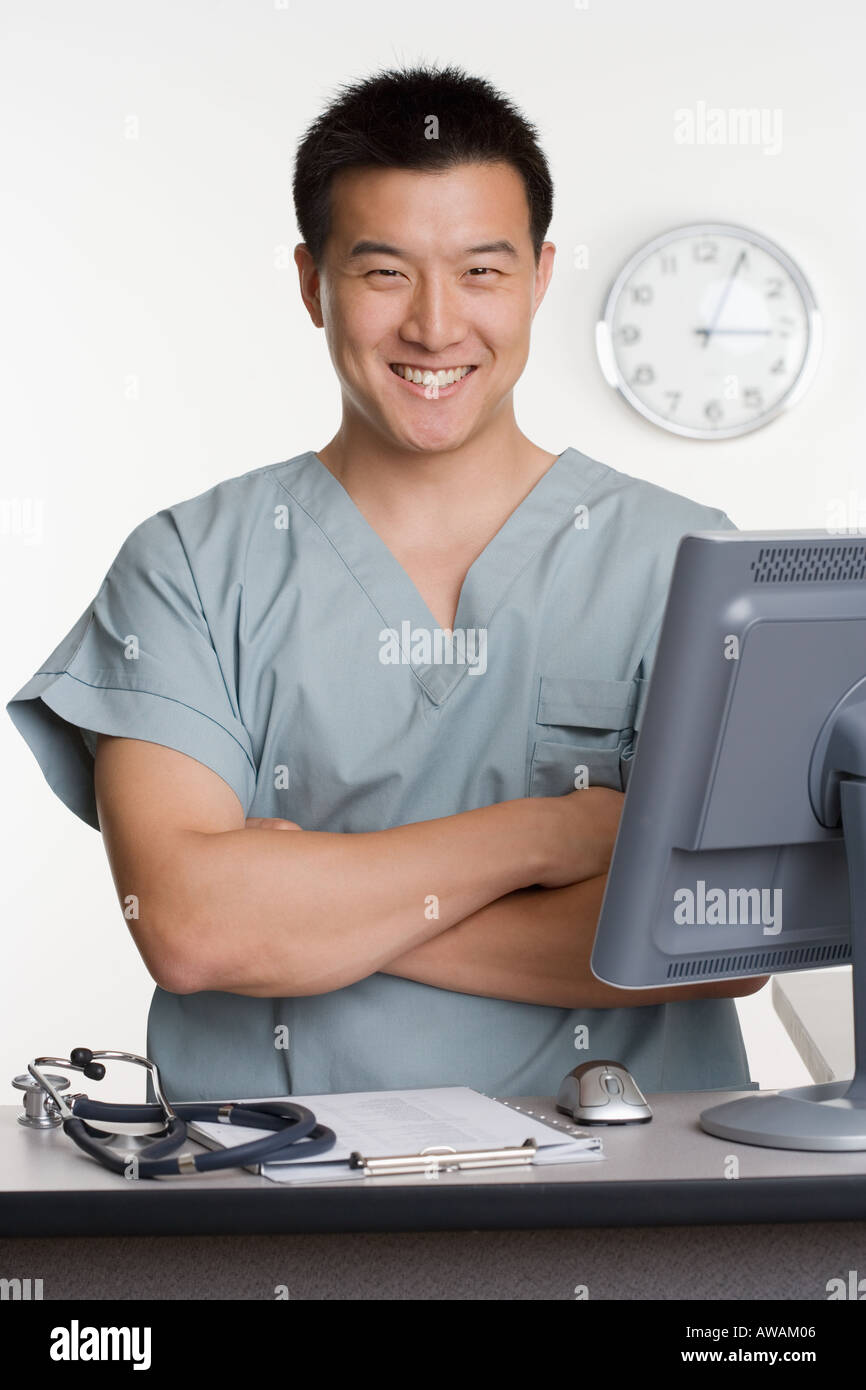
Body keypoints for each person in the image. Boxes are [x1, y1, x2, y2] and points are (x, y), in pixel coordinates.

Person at [7, 63, 765, 1102]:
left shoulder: (690, 567)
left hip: (630, 1203)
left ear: (541, 277)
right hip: (273, 1198)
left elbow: (725, 938)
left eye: (482, 273)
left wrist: (313, 909)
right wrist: (556, 833)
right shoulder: (187, 566)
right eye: (383, 273)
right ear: (311, 282)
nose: (435, 326)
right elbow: (189, 928)